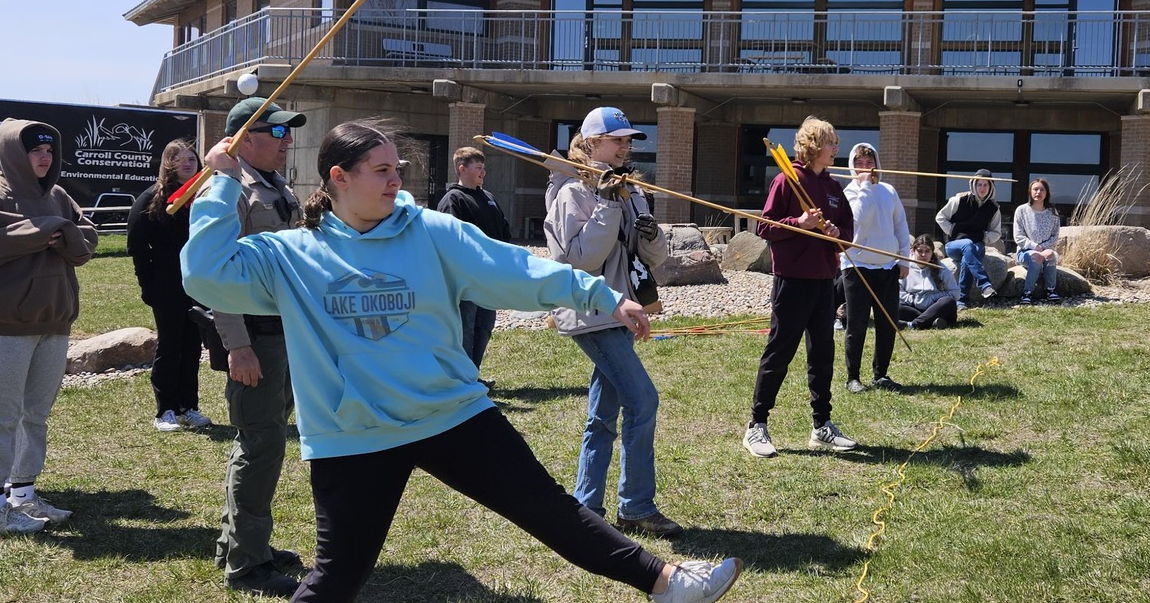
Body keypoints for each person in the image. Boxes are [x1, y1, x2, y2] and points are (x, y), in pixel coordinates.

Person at [182, 118, 741, 603]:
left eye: (396, 167)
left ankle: (668, 583)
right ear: (339, 178)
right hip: (354, 436)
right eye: (380, 171)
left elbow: (512, 270)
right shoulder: (291, 254)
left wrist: (598, 295)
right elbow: (207, 275)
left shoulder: (428, 230)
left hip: (451, 414)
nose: (396, 179)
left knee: (550, 509)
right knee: (337, 576)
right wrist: (219, 183)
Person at [544, 107, 679, 536]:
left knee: (603, 415)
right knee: (642, 401)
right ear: (591, 143)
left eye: (628, 140)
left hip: (622, 308)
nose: (626, 146)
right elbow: (580, 261)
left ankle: (585, 510)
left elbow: (653, 259)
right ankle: (636, 507)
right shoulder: (572, 193)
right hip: (592, 313)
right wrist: (605, 206)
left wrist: (651, 233)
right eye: (617, 139)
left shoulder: (629, 190)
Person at [207, 97, 308, 596]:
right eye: (277, 131)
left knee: (262, 441)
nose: (287, 140)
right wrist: (237, 346)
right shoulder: (229, 190)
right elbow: (216, 275)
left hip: (283, 334)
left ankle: (239, 543)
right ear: (244, 138)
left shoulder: (274, 184)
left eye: (288, 131)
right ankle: (247, 565)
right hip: (255, 338)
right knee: (261, 445)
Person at [0, 118, 97, 533]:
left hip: (56, 322)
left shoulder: (58, 195)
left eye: (48, 150)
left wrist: (66, 232)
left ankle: (22, 494)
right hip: (9, 325)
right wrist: (51, 230)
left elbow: (87, 241)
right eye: (34, 150)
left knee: (35, 415)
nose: (44, 157)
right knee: (3, 416)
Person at [742, 116, 857, 459]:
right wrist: (800, 223)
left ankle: (822, 425)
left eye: (836, 142)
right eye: (831, 143)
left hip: (825, 281)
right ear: (813, 147)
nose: (836, 148)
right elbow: (764, 227)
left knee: (823, 355)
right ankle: (756, 425)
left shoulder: (835, 189)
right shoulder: (786, 180)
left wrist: (838, 237)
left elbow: (847, 236)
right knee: (779, 352)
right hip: (792, 281)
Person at [129, 138, 213, 433]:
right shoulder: (154, 197)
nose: (189, 162)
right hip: (166, 283)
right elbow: (137, 245)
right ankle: (165, 410)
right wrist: (147, 285)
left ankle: (188, 407)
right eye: (181, 158)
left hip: (198, 283)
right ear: (168, 163)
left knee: (193, 345)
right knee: (171, 344)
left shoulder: (205, 195)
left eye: (193, 157)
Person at [434, 146, 511, 389]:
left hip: (489, 277)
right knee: (464, 329)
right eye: (478, 168)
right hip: (465, 280)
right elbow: (449, 241)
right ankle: (461, 380)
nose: (483, 172)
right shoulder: (453, 200)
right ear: (462, 168)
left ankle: (472, 375)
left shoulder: (487, 197)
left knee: (484, 326)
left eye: (484, 168)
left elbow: (503, 230)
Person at [839, 143, 910, 394]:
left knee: (887, 323)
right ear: (852, 166)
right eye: (859, 163)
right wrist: (865, 187)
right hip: (857, 266)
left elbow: (900, 224)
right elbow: (859, 221)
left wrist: (903, 259)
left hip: (887, 266)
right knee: (856, 324)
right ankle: (853, 377)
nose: (865, 167)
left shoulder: (889, 190)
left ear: (876, 163)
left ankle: (881, 375)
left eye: (869, 162)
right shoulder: (848, 193)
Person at [934, 169, 1002, 309]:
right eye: (979, 185)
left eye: (985, 185)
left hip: (977, 245)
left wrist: (984, 236)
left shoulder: (994, 208)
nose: (982, 188)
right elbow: (940, 217)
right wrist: (952, 230)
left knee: (968, 257)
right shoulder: (959, 200)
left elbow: (996, 232)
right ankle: (984, 285)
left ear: (991, 187)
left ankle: (961, 300)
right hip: (954, 245)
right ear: (973, 185)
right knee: (967, 244)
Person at [1014, 177, 1063, 305]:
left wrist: (1045, 248)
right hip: (1025, 252)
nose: (1038, 192)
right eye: (1035, 189)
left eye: (1042, 190)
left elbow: (1055, 236)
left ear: (1046, 193)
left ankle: (1051, 290)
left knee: (1051, 255)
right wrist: (1036, 248)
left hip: (1047, 250)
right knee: (1036, 257)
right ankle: (1027, 292)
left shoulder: (1052, 212)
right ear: (1030, 191)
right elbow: (1018, 236)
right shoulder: (1021, 210)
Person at [898, 234, 959, 330]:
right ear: (913, 251)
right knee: (896, 306)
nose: (923, 255)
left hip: (936, 307)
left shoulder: (941, 269)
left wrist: (931, 299)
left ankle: (913, 324)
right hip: (913, 307)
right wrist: (914, 300)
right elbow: (898, 292)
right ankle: (930, 321)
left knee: (948, 302)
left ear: (932, 253)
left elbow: (955, 293)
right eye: (920, 251)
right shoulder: (904, 266)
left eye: (927, 251)